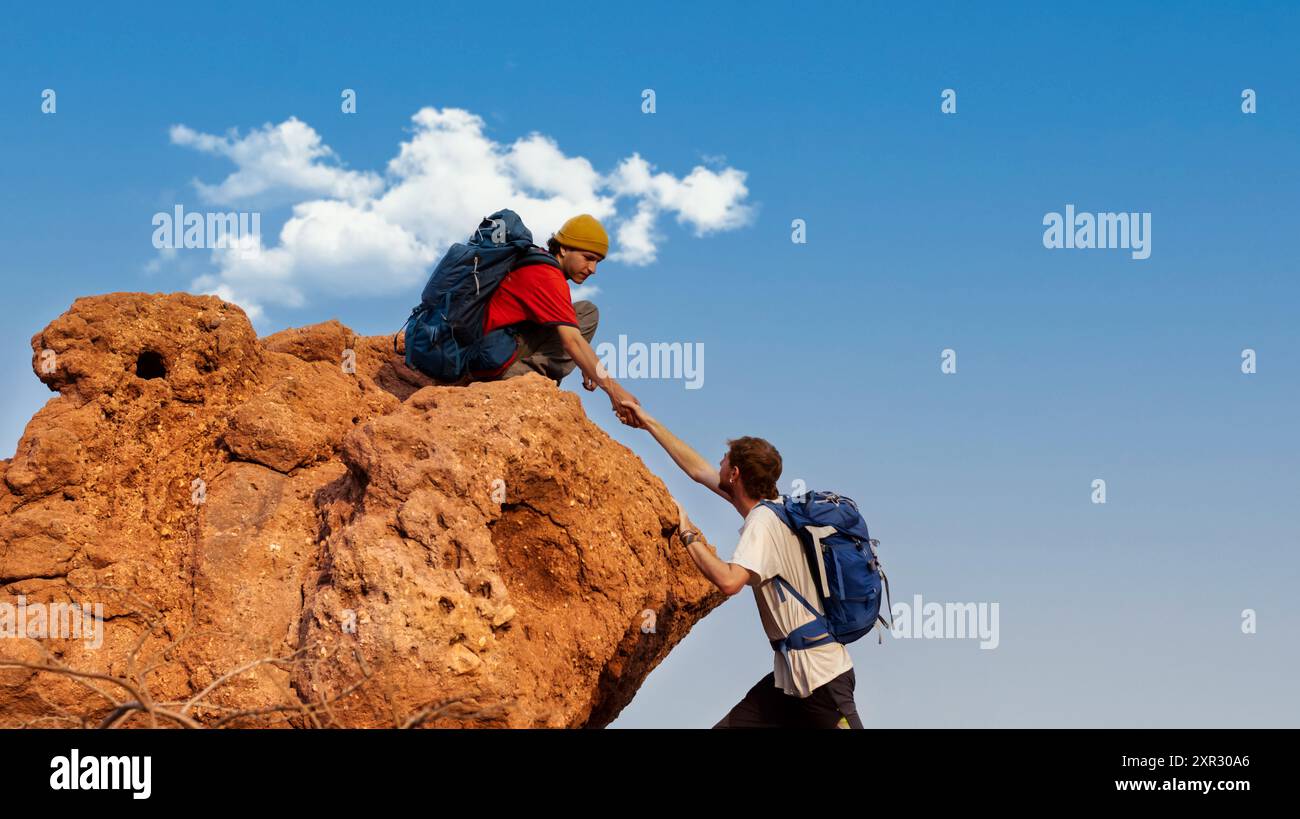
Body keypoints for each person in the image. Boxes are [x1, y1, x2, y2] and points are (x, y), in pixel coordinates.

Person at [621, 401, 864, 728]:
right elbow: (697, 470)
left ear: (734, 474)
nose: (718, 463)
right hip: (790, 684)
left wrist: (687, 532)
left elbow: (729, 581)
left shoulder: (762, 523)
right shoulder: (773, 509)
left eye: (724, 460)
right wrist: (648, 422)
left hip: (823, 683)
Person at [472, 214, 637, 424]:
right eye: (588, 258)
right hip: (490, 359)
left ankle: (525, 376)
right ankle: (523, 380)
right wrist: (615, 392)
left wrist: (588, 366)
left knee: (582, 311)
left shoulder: (538, 264)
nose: (593, 269)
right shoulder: (547, 275)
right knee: (587, 313)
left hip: (493, 347)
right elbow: (572, 340)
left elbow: (569, 333)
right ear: (564, 249)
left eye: (597, 262)